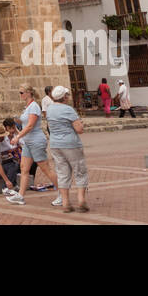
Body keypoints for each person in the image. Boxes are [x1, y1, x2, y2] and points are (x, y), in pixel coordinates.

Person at [6, 85, 53, 206]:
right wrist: (17, 121)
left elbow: (31, 125)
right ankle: (20, 196)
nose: (20, 95)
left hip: (36, 141)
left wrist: (17, 137)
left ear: (28, 93)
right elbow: (26, 122)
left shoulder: (34, 106)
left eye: (21, 92)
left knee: (45, 169)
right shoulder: (27, 107)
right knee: (24, 168)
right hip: (28, 142)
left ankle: (63, 193)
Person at [46, 85, 89, 213]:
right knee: (80, 170)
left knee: (62, 172)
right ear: (64, 97)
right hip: (70, 144)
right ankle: (81, 200)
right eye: (67, 95)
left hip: (55, 144)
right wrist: (81, 123)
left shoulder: (50, 109)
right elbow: (79, 129)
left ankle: (66, 203)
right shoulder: (68, 110)